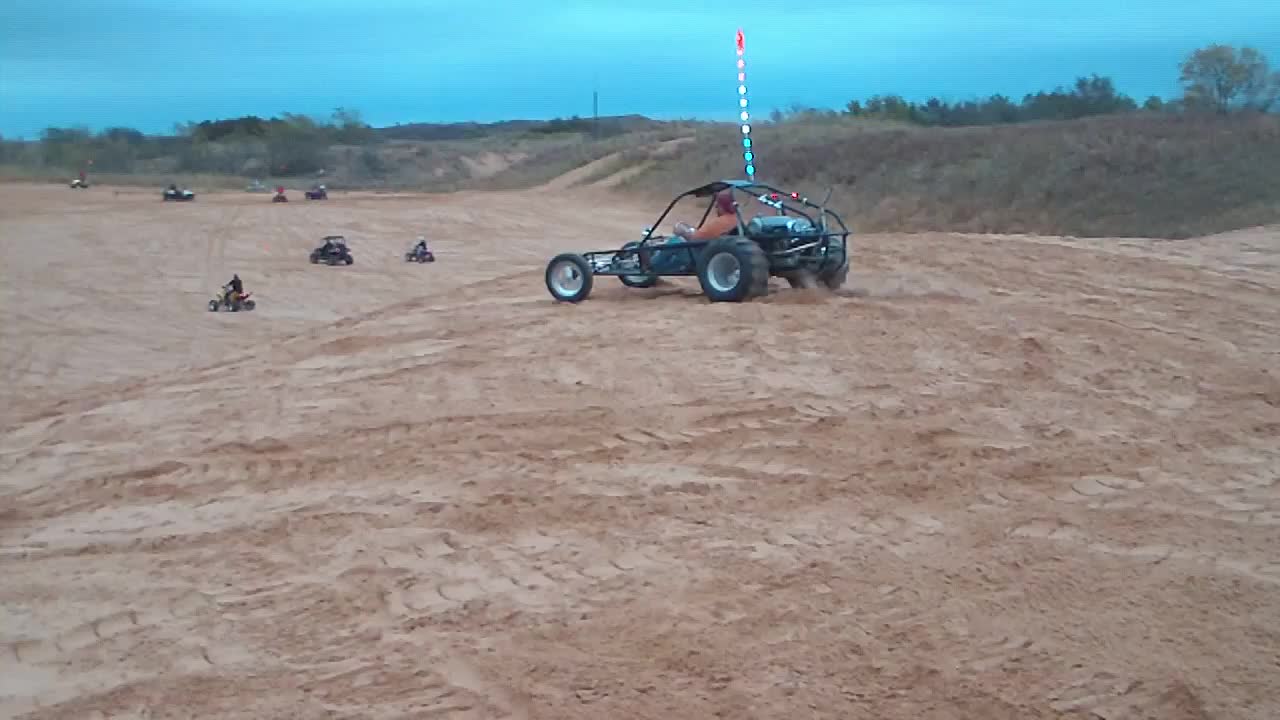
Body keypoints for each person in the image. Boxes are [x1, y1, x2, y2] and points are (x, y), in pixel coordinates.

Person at [649, 190, 741, 273]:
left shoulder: (721, 222)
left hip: (701, 256)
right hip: (716, 254)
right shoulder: (736, 220)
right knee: (679, 248)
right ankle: (663, 267)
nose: (716, 209)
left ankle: (651, 266)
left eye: (717, 206)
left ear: (722, 206)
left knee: (675, 241)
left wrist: (683, 232)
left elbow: (695, 238)